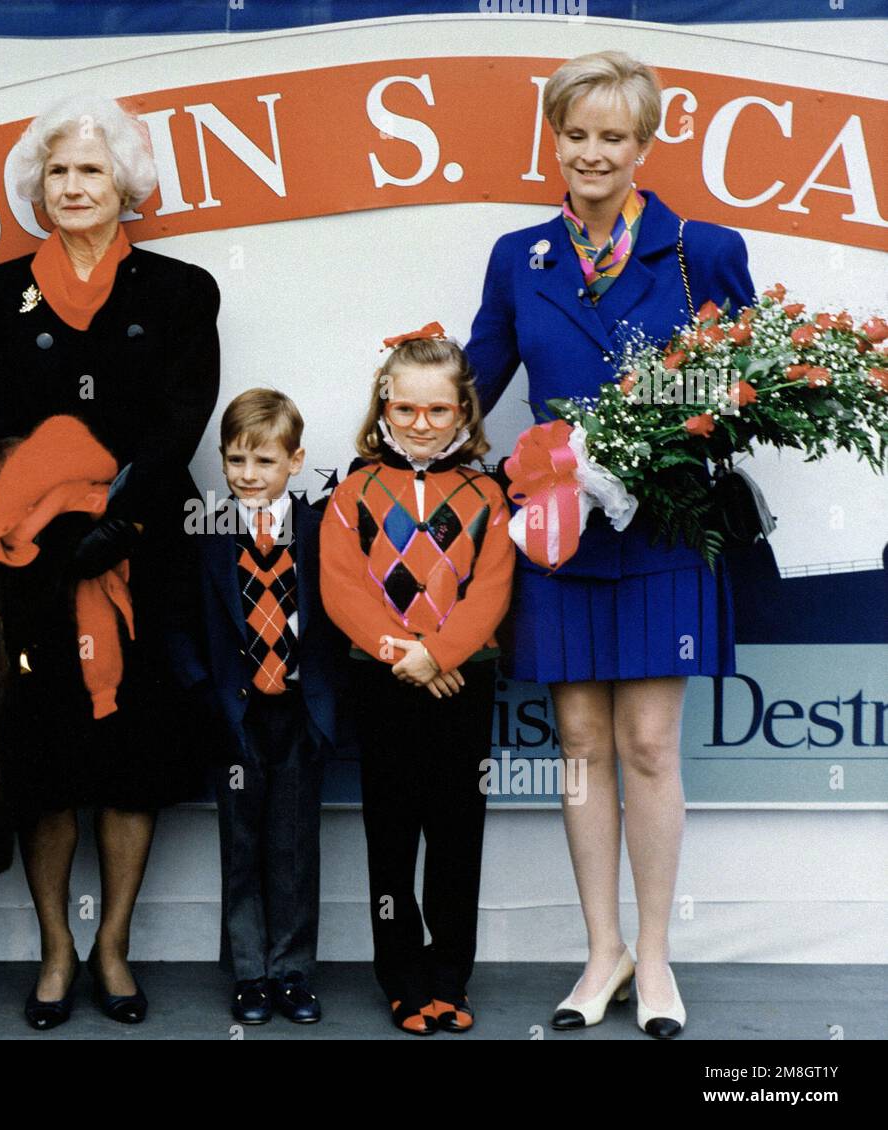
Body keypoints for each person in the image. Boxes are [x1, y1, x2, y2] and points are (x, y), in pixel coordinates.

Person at [463, 50, 755, 1039]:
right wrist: (399, 429)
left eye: (611, 137)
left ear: (644, 142)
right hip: (557, 532)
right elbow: (476, 383)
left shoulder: (700, 251)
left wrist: (648, 434)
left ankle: (658, 958)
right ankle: (603, 952)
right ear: (554, 136)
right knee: (580, 747)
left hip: (665, 525)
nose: (591, 153)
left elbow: (744, 393)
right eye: (574, 134)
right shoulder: (519, 256)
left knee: (645, 743)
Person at [0, 92, 221, 1029]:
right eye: (60, 171)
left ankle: (112, 944)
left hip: (144, 553)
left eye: (93, 170)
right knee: (46, 758)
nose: (75, 186)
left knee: (131, 756)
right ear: (38, 185)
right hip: (31, 558)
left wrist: (120, 518)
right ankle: (55, 948)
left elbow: (179, 420)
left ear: (127, 185)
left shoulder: (182, 290)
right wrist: (61, 523)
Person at [320, 328, 513, 1035]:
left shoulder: (486, 493)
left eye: (437, 411)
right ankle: (402, 977)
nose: (421, 425)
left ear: (462, 411)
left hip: (463, 680)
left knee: (458, 832)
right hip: (385, 680)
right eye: (405, 410)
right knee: (391, 834)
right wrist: (403, 652)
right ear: (383, 408)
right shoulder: (355, 490)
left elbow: (492, 587)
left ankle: (449, 977)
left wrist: (442, 653)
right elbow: (342, 588)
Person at [167, 388, 350, 1025]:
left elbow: (345, 612)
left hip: (300, 712)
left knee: (294, 847)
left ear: (296, 462)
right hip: (236, 714)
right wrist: (201, 689)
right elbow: (179, 619)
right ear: (222, 461)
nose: (250, 476)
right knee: (240, 844)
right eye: (238, 461)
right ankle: (249, 972)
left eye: (266, 462)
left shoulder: (323, 530)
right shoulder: (207, 533)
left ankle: (293, 972)